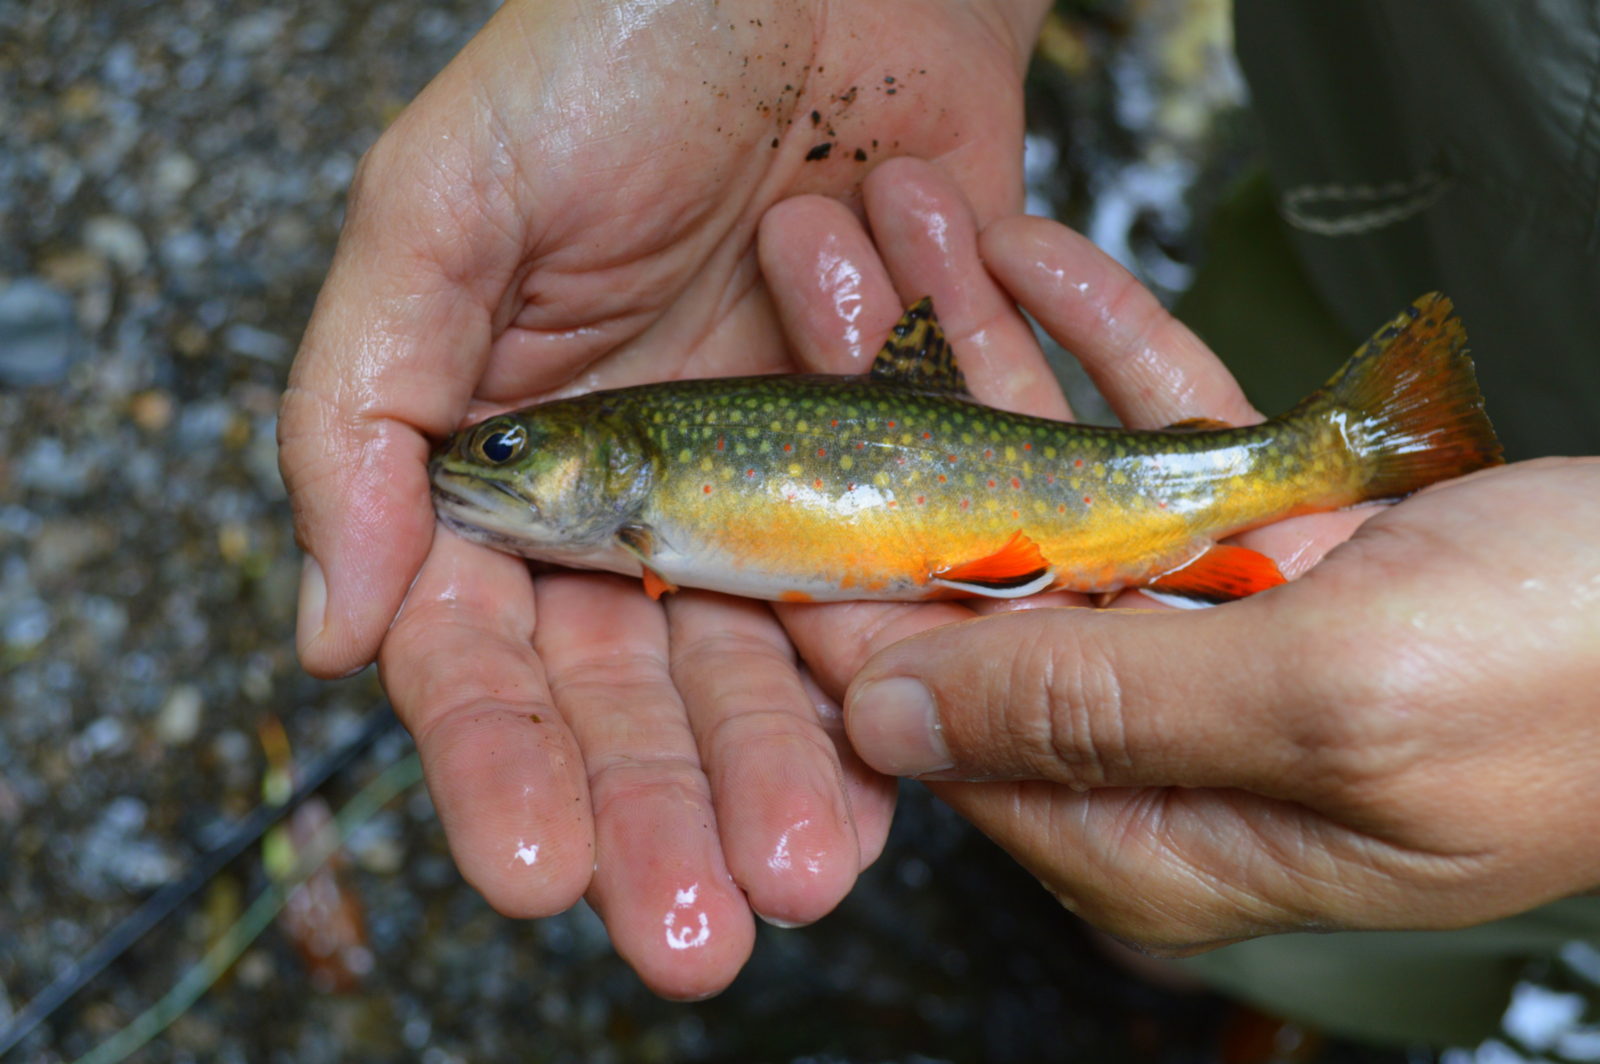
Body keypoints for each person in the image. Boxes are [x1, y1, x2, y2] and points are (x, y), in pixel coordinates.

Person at [280, 0, 1600, 1041]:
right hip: (1400, 166)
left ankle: (1261, 976)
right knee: (1231, 794)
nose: (479, 466)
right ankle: (1206, 965)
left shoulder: (651, 486)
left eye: (508, 452)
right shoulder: (636, 489)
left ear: (607, 459)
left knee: (1335, 797)